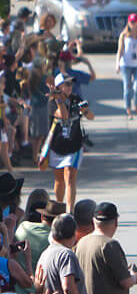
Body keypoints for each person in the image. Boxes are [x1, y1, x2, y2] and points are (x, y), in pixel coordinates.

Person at [40, 75, 92, 209]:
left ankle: (70, 210)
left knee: (70, 176)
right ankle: (59, 207)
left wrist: (85, 111)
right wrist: (58, 100)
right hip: (57, 146)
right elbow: (63, 115)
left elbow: (91, 117)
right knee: (59, 181)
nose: (70, 87)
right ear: (59, 87)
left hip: (74, 145)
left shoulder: (76, 99)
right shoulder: (52, 102)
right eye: (66, 84)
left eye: (70, 84)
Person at [115, 13, 137, 121]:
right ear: (128, 23)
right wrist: (117, 63)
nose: (132, 24)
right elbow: (120, 50)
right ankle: (128, 110)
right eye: (131, 22)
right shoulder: (124, 35)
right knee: (127, 88)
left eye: (134, 22)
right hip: (126, 64)